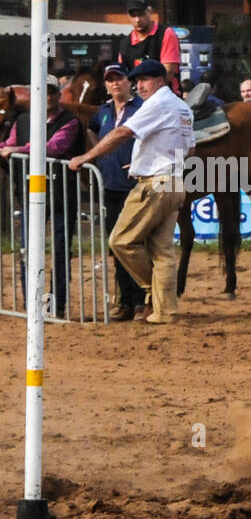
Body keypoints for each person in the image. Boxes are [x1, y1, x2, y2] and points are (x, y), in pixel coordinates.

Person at [69, 60, 194, 325]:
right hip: (174, 181)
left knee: (121, 241)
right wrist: (151, 159)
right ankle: (166, 310)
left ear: (160, 81)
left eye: (144, 80)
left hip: (156, 183)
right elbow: (189, 149)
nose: (138, 86)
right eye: (136, 81)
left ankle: (154, 295)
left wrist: (87, 155)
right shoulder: (182, 107)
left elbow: (123, 132)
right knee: (162, 251)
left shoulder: (158, 103)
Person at [0, 74, 86, 319]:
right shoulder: (23, 120)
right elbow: (9, 142)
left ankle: (56, 306)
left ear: (58, 95)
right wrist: (7, 148)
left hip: (61, 195)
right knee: (28, 251)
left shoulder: (70, 121)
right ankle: (31, 305)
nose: (47, 96)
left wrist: (14, 150)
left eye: (51, 92)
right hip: (30, 195)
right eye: (43, 92)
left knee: (60, 251)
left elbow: (52, 147)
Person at [91, 63, 146, 320]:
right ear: (106, 84)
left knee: (134, 244)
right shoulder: (102, 111)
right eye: (110, 80)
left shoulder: (141, 109)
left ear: (128, 82)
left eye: (119, 79)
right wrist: (98, 155)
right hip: (110, 185)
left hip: (135, 186)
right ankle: (124, 301)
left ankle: (140, 302)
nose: (115, 84)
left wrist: (140, 158)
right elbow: (91, 129)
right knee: (116, 246)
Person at [118, 0, 181, 93]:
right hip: (136, 98)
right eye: (133, 16)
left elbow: (168, 71)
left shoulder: (166, 34)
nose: (137, 20)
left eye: (141, 14)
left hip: (166, 95)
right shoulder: (125, 44)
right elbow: (122, 75)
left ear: (150, 11)